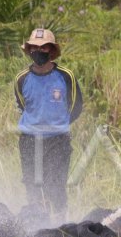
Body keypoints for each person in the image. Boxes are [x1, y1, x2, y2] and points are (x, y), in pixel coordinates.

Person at [14, 28, 82, 222]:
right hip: (29, 140)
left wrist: (58, 125)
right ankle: (38, 223)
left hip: (58, 141)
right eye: (34, 47)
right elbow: (22, 105)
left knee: (56, 184)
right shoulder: (22, 79)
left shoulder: (65, 76)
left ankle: (60, 224)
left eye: (43, 47)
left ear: (51, 51)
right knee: (32, 184)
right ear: (29, 50)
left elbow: (76, 105)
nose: (39, 51)